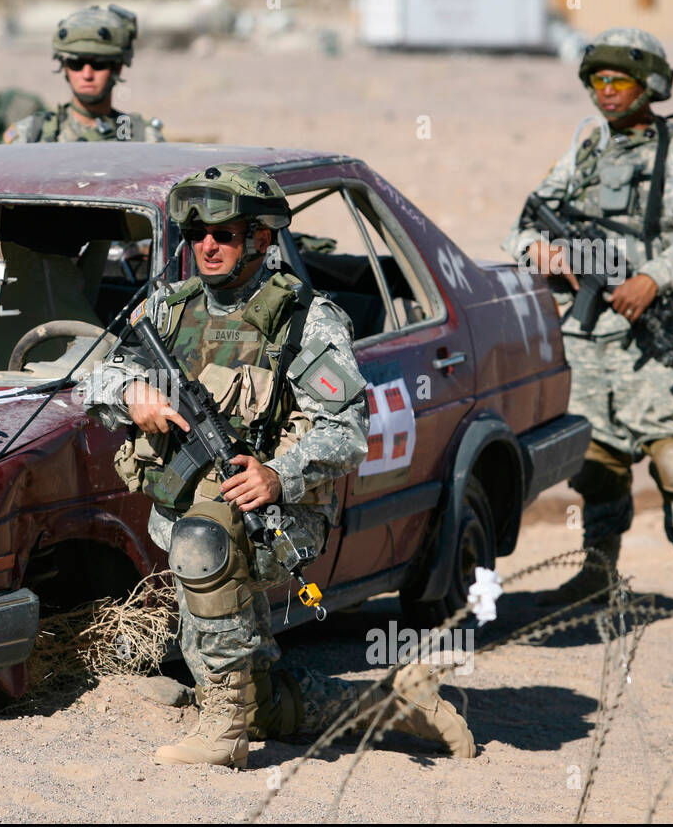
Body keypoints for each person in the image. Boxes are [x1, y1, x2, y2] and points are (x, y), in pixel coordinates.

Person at [85, 163, 474, 768]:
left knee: (202, 547)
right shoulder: (170, 310)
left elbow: (347, 431)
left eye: (226, 234)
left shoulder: (303, 321)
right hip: (195, 505)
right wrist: (130, 392)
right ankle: (397, 706)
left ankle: (223, 735)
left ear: (262, 239)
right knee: (259, 696)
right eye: (197, 235)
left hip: (273, 512)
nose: (207, 246)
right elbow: (98, 376)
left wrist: (277, 475)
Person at [503, 28, 673, 618]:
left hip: (654, 333)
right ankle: (600, 572)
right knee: (596, 459)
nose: (606, 92)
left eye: (619, 81)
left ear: (649, 85)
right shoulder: (585, 151)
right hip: (586, 336)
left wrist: (651, 278)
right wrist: (544, 254)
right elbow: (524, 224)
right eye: (598, 81)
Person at [3, 4, 165, 144]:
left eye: (99, 64)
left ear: (118, 67)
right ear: (64, 67)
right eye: (76, 64)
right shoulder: (31, 134)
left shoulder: (142, 138)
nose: (87, 74)